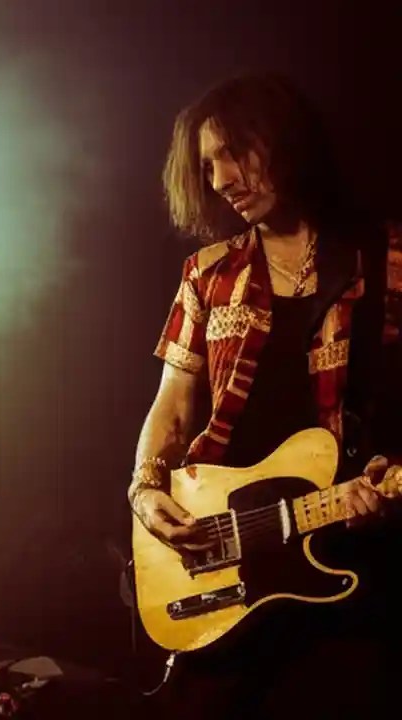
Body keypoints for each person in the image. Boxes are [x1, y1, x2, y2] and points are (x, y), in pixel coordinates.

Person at [130, 72, 402, 718]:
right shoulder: (207, 274)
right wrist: (144, 487)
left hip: (344, 571)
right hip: (224, 566)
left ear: (281, 139)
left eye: (233, 152)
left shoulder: (383, 256)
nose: (220, 180)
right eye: (207, 166)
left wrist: (384, 480)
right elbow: (172, 404)